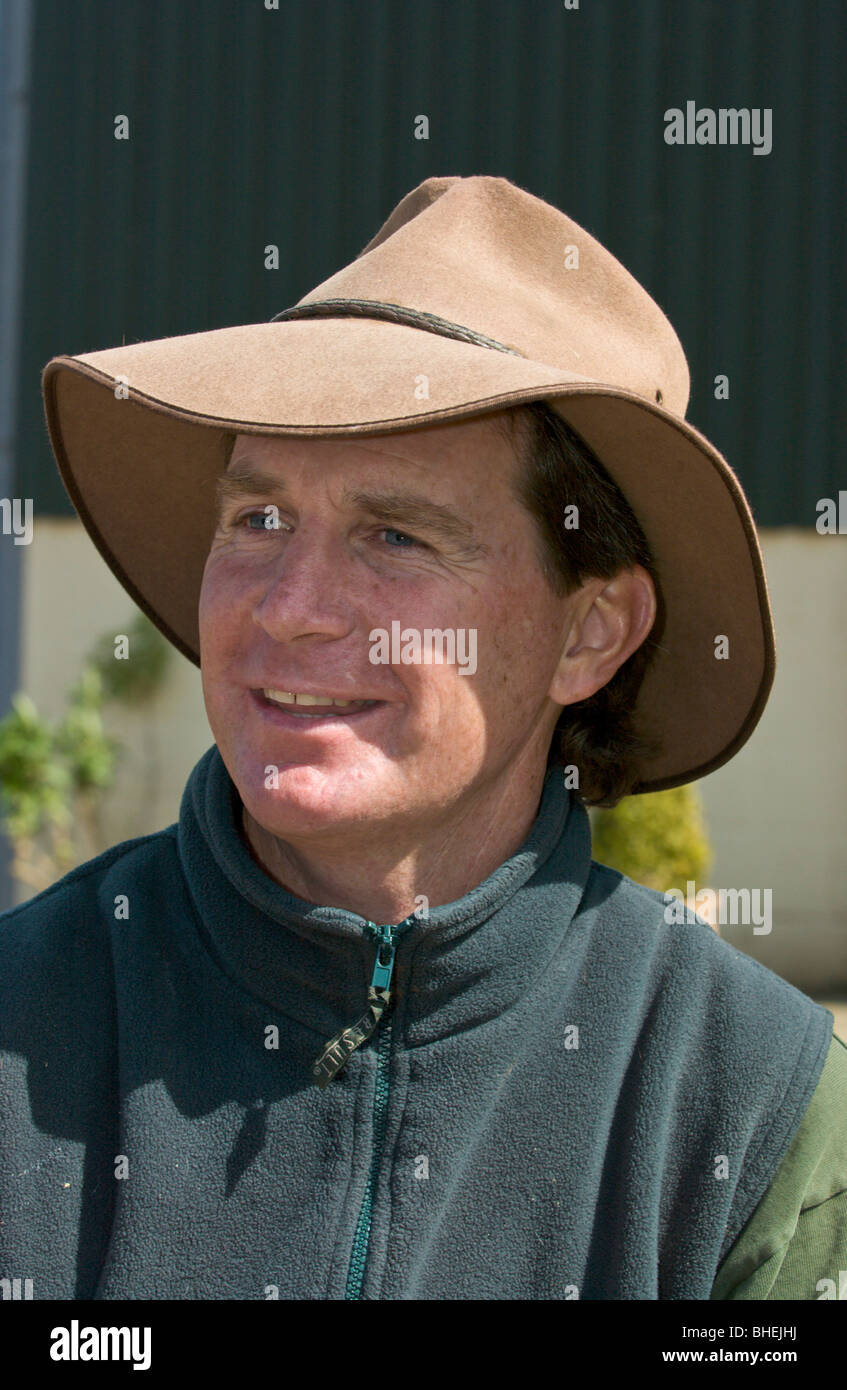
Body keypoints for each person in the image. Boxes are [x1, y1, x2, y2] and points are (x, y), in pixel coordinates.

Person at [1, 175, 845, 1300]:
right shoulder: (26, 1022)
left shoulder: (751, 1106)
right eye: (258, 519)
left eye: (395, 534)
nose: (292, 605)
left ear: (587, 632)